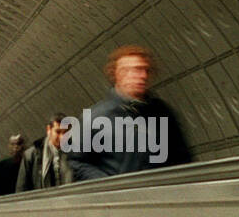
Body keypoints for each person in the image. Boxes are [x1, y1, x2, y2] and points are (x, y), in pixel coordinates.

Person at [67, 45, 191, 181]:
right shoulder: (95, 117)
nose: (143, 76)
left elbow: (182, 159)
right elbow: (77, 162)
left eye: (146, 70)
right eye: (136, 70)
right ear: (118, 74)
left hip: (157, 197)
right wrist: (107, 184)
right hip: (116, 199)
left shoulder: (163, 113)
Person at [16, 113, 72, 190]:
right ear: (49, 130)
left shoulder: (76, 152)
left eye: (66, 132)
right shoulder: (32, 155)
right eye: (58, 132)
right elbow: (22, 188)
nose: (62, 137)